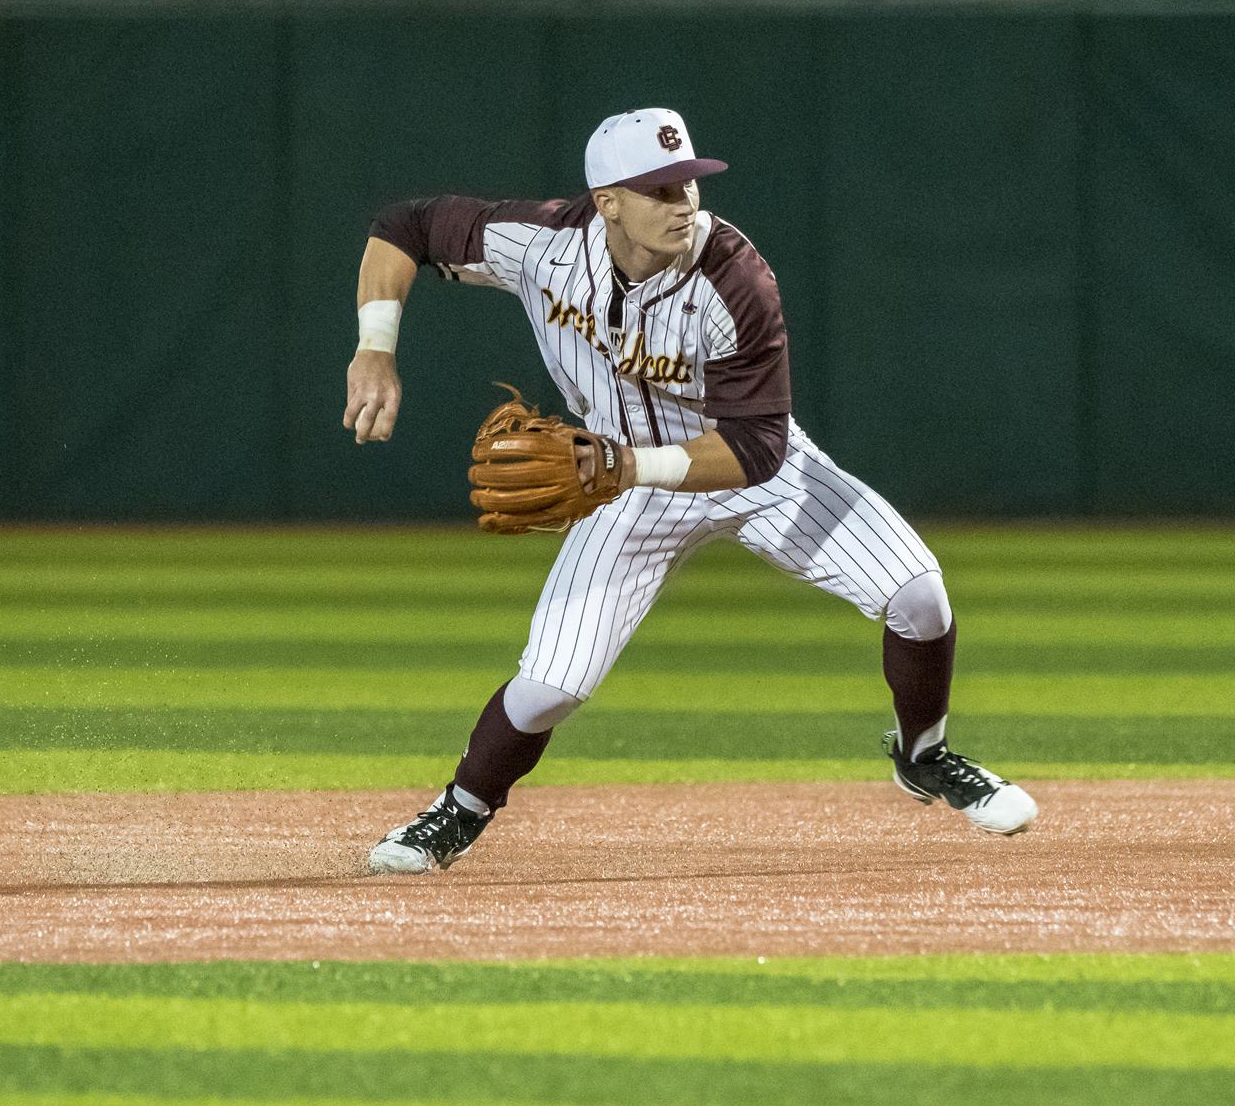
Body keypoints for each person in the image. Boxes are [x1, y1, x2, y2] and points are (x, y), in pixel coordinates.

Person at [344, 107, 1036, 875]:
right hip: (619, 481)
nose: (685, 205)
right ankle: (457, 812)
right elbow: (403, 226)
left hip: (746, 469)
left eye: (689, 186)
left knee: (921, 595)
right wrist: (375, 349)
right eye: (661, 191)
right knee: (548, 687)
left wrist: (624, 466)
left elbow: (757, 446)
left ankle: (925, 754)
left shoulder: (735, 277)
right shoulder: (541, 243)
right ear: (607, 200)